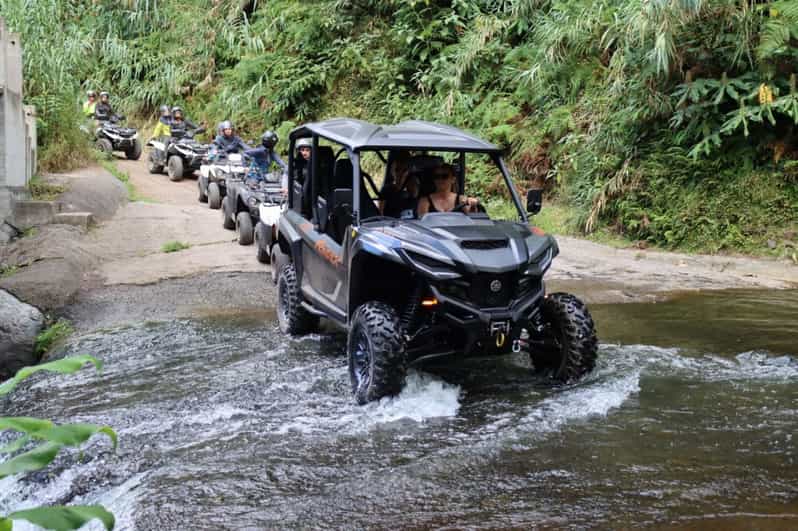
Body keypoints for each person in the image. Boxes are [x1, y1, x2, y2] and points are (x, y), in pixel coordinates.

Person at [379, 151, 419, 219]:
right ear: (392, 172)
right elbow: (380, 214)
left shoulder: (415, 188)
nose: (400, 173)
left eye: (404, 170)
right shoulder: (387, 190)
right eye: (397, 170)